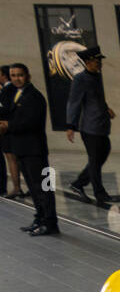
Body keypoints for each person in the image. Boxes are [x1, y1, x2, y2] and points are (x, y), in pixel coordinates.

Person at [0, 64, 58, 235]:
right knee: (33, 189)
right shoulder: (16, 94)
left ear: (28, 76)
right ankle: (40, 218)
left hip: (35, 150)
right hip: (22, 149)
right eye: (13, 75)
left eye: (20, 75)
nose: (16, 78)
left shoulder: (34, 96)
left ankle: (50, 222)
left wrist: (8, 125)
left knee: (43, 188)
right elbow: (7, 111)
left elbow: (31, 122)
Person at [66, 46, 116, 206]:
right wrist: (70, 125)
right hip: (90, 127)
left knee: (103, 154)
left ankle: (79, 183)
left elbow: (98, 98)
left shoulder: (97, 77)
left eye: (100, 61)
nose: (99, 64)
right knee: (95, 160)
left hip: (101, 124)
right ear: (88, 62)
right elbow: (74, 102)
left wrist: (106, 108)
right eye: (97, 61)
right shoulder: (80, 79)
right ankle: (99, 193)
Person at [0, 63, 24, 199]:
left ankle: (16, 188)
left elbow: (6, 109)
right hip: (11, 128)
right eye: (14, 75)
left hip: (10, 129)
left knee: (12, 159)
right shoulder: (11, 90)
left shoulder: (8, 90)